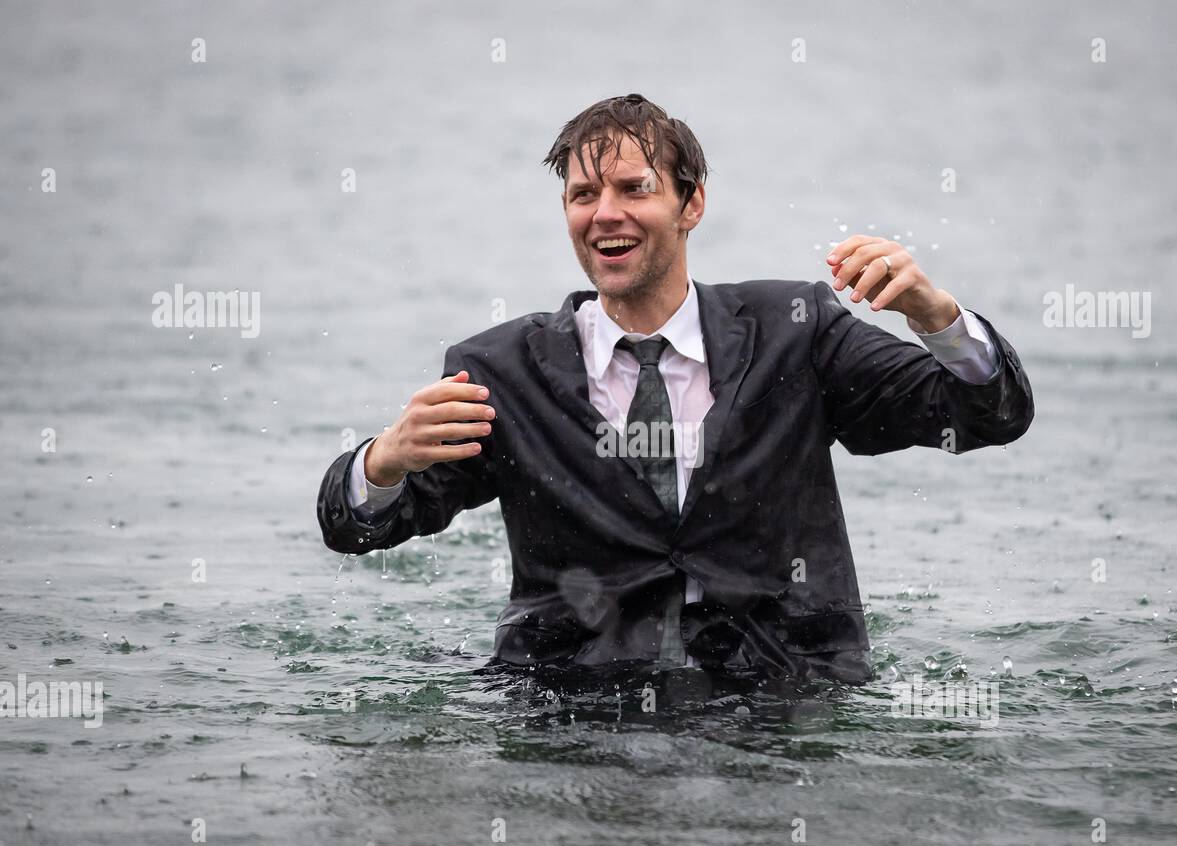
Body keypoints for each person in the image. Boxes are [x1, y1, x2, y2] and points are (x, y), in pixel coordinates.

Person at [317, 93, 1034, 683]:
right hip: (570, 700)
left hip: (783, 691)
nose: (605, 213)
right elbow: (354, 529)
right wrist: (383, 462)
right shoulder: (502, 371)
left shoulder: (798, 331)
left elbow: (984, 414)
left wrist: (935, 317)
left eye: (635, 189)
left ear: (692, 204)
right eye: (583, 194)